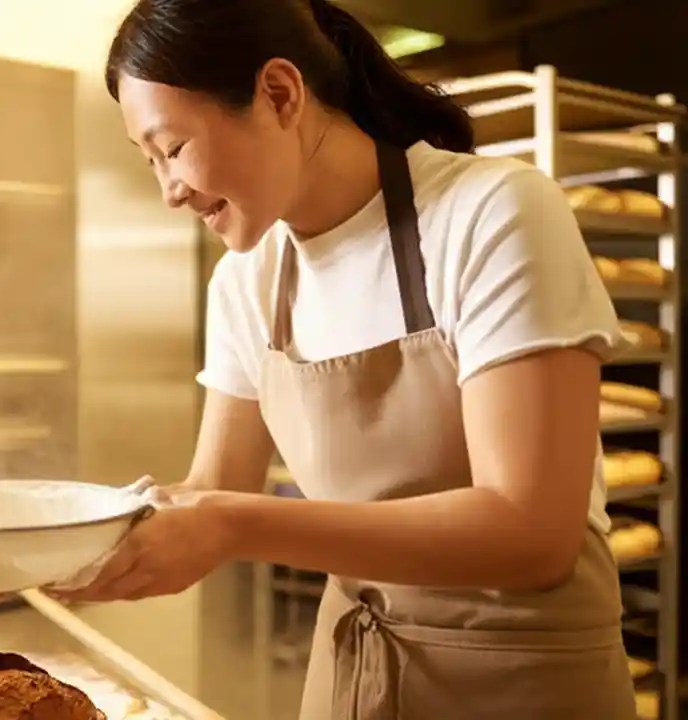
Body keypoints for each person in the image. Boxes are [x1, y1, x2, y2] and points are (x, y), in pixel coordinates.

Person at [54, 1, 639, 718]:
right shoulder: (248, 281)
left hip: (523, 681)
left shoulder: (491, 213)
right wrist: (56, 545)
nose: (169, 192)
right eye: (149, 162)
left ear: (279, 94)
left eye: (172, 149)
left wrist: (231, 523)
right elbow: (214, 483)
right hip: (354, 678)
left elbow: (532, 533)